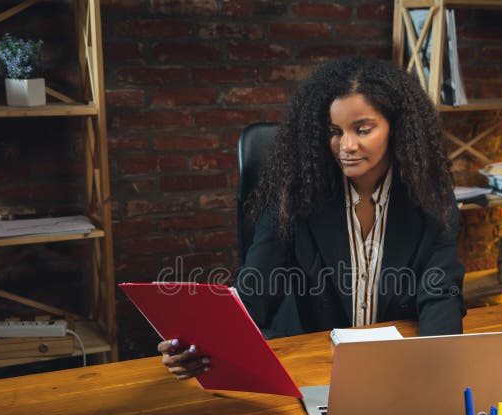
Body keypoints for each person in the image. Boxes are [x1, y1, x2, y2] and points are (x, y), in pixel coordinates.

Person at [161, 56, 465, 379]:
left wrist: (438, 367)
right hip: (309, 365)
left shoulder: (430, 197)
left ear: (397, 128)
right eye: (334, 131)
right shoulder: (296, 194)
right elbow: (254, 288)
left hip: (392, 366)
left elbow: (441, 293)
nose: (346, 145)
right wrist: (203, 346)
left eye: (362, 129)